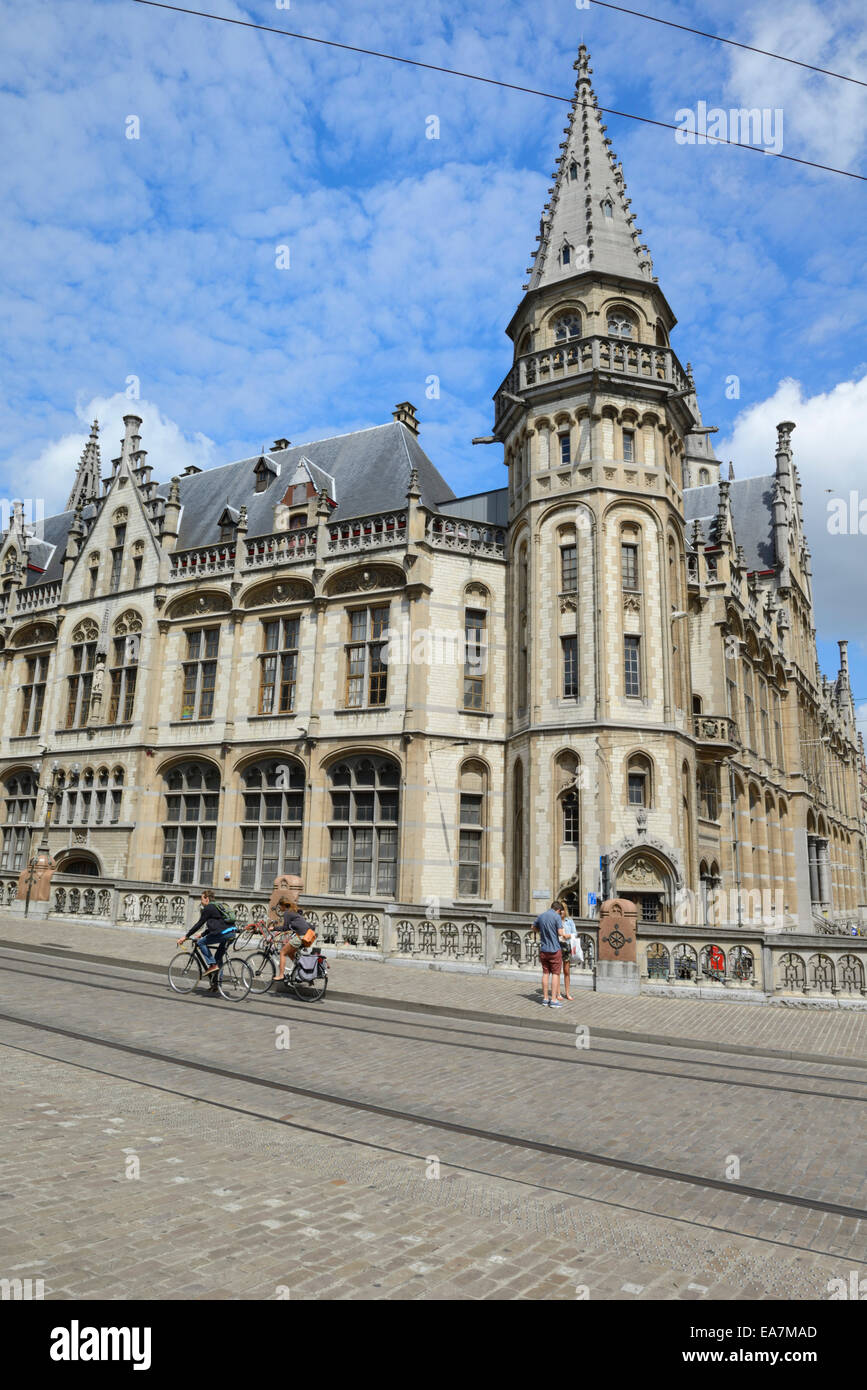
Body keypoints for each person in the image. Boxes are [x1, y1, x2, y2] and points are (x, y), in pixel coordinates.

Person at [176, 890, 235, 990]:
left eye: (202, 898)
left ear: (207, 898)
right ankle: (216, 984)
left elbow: (199, 923)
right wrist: (202, 934)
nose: (201, 901)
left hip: (223, 934)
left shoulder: (208, 908)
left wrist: (186, 936)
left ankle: (211, 965)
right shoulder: (217, 906)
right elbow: (218, 925)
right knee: (218, 958)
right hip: (231, 933)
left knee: (201, 942)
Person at [273, 886, 315, 987]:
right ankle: (302, 973)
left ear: (283, 906)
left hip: (301, 936)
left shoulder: (287, 913)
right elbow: (295, 926)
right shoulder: (294, 911)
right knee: (291, 954)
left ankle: (281, 975)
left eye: (280, 906)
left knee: (283, 952)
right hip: (306, 936)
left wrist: (273, 929)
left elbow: (285, 928)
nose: (280, 909)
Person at [531, 899, 567, 1008]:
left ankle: (545, 999)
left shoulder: (541, 916)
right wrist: (569, 936)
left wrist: (541, 931)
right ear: (558, 910)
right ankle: (554, 1000)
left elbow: (533, 927)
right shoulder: (557, 917)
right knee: (555, 974)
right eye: (560, 912)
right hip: (555, 950)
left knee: (545, 974)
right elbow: (561, 934)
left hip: (544, 950)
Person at [560, 910, 584, 1001]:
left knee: (566, 971)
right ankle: (558, 993)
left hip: (567, 947)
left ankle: (567, 993)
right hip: (558, 946)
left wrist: (568, 935)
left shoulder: (569, 921)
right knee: (557, 972)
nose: (561, 912)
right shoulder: (555, 920)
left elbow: (575, 933)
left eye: (562, 910)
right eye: (559, 910)